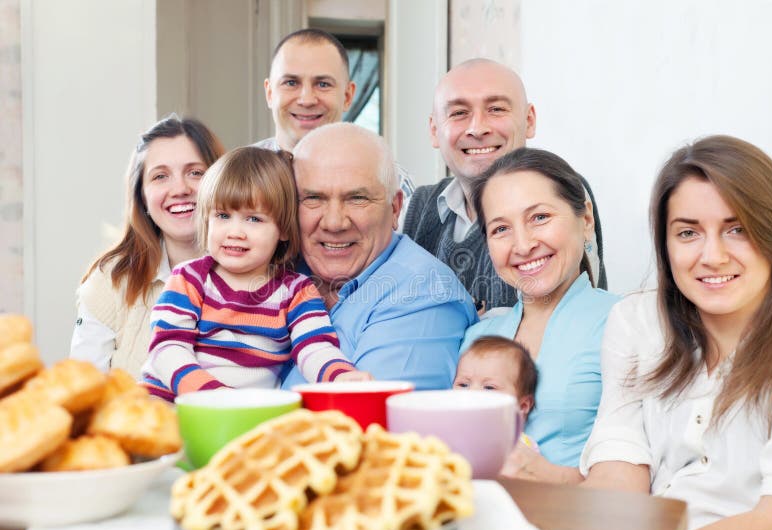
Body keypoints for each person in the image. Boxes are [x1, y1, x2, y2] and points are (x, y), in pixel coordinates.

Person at [581, 136, 772, 530]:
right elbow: (620, 462)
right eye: (688, 233)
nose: (712, 256)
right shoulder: (636, 321)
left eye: (737, 229)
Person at [141, 147, 369, 401]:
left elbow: (314, 348)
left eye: (253, 219)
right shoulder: (189, 279)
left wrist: (341, 377)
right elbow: (167, 348)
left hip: (244, 412)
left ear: (283, 229)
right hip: (171, 400)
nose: (235, 232)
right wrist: (211, 395)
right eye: (223, 216)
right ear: (207, 220)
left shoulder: (297, 291)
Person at [460, 147, 620, 481]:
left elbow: (651, 469)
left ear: (585, 218)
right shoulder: (476, 337)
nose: (523, 245)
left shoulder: (625, 322)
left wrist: (551, 476)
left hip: (578, 524)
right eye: (501, 229)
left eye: (540, 218)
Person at [280, 122, 478, 390]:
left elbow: (365, 420)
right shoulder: (277, 269)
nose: (334, 223)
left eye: (357, 198)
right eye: (313, 198)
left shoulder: (425, 291)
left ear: (395, 208)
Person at [403, 58, 606, 313]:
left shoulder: (559, 190)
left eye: (496, 109)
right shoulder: (414, 208)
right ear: (434, 130)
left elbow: (565, 318)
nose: (477, 129)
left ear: (529, 120)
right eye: (459, 113)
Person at [70, 116, 224, 378]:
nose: (180, 189)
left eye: (195, 172)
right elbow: (84, 392)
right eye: (160, 176)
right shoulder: (109, 282)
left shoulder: (262, 273)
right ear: (142, 196)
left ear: (223, 182)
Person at [255, 28, 415, 223]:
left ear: (347, 96)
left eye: (323, 84)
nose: (306, 100)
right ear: (270, 93)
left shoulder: (392, 181)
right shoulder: (237, 174)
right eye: (290, 82)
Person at [454, 335, 540, 459]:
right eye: (463, 384)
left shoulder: (520, 447)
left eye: (489, 387)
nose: (472, 393)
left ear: (522, 406)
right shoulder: (445, 432)